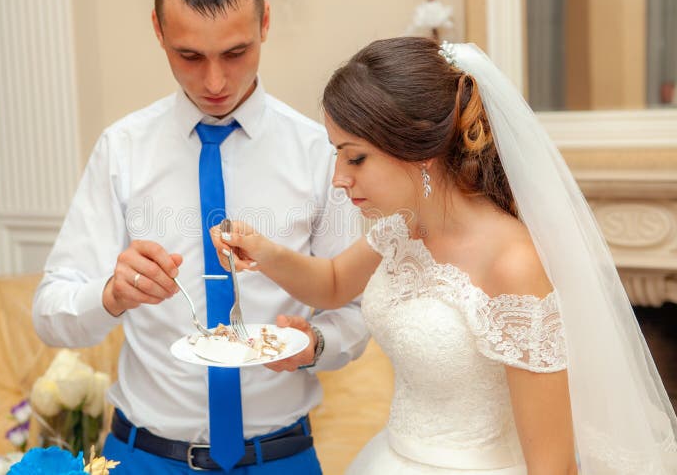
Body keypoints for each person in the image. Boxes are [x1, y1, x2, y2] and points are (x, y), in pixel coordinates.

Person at [212, 37, 677, 474]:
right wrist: (264, 251)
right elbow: (333, 283)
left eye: (354, 158)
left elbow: (552, 466)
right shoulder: (403, 227)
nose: (338, 178)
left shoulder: (512, 264)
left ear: (418, 151)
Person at [32, 0, 369, 473]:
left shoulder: (319, 154)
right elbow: (51, 315)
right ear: (158, 31)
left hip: (281, 457)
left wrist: (317, 343)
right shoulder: (122, 150)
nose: (215, 82)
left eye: (235, 53)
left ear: (265, 23)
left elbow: (352, 311)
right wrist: (110, 296)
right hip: (143, 457)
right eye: (189, 56)